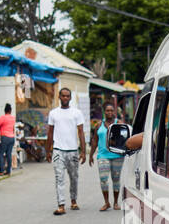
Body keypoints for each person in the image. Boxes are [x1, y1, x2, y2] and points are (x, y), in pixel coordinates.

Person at [45, 86, 85, 215]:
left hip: (73, 150)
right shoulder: (53, 113)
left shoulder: (77, 113)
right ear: (59, 97)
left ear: (70, 98)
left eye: (68, 96)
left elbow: (81, 132)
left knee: (74, 178)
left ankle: (73, 201)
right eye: (63, 96)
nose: (65, 98)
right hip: (58, 150)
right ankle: (61, 204)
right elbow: (50, 133)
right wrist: (48, 151)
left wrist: (83, 151)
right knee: (59, 178)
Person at [88, 101, 125, 210]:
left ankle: (116, 203)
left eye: (111, 110)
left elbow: (125, 137)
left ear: (114, 112)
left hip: (117, 156)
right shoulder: (99, 125)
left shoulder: (119, 123)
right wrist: (91, 155)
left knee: (116, 179)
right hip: (103, 155)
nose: (109, 112)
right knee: (103, 179)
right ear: (104, 112)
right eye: (107, 110)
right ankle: (106, 202)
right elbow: (95, 140)